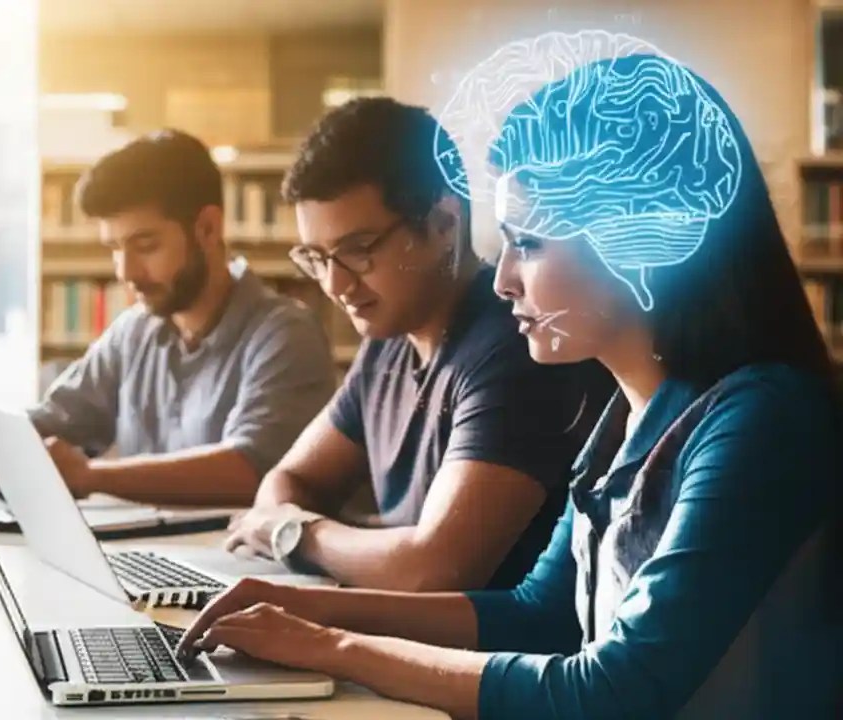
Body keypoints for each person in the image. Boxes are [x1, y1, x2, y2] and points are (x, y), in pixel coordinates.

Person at [178, 46, 841, 719]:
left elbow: (615, 690)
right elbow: (538, 615)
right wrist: (304, 605)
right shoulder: (626, 416)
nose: (503, 281)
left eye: (528, 243)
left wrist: (334, 646)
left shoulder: (761, 419)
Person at [223, 97, 613, 592]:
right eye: (317, 258)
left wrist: (291, 533)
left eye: (358, 251)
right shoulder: (390, 338)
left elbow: (436, 569)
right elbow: (290, 480)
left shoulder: (518, 345)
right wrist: (311, 531)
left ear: (444, 224)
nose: (335, 286)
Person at [28, 130, 337, 507]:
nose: (126, 272)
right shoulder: (134, 330)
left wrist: (90, 476)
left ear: (207, 228)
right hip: (145, 554)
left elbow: (253, 469)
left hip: (236, 562)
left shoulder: (285, 335)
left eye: (146, 246)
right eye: (114, 248)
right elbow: (54, 419)